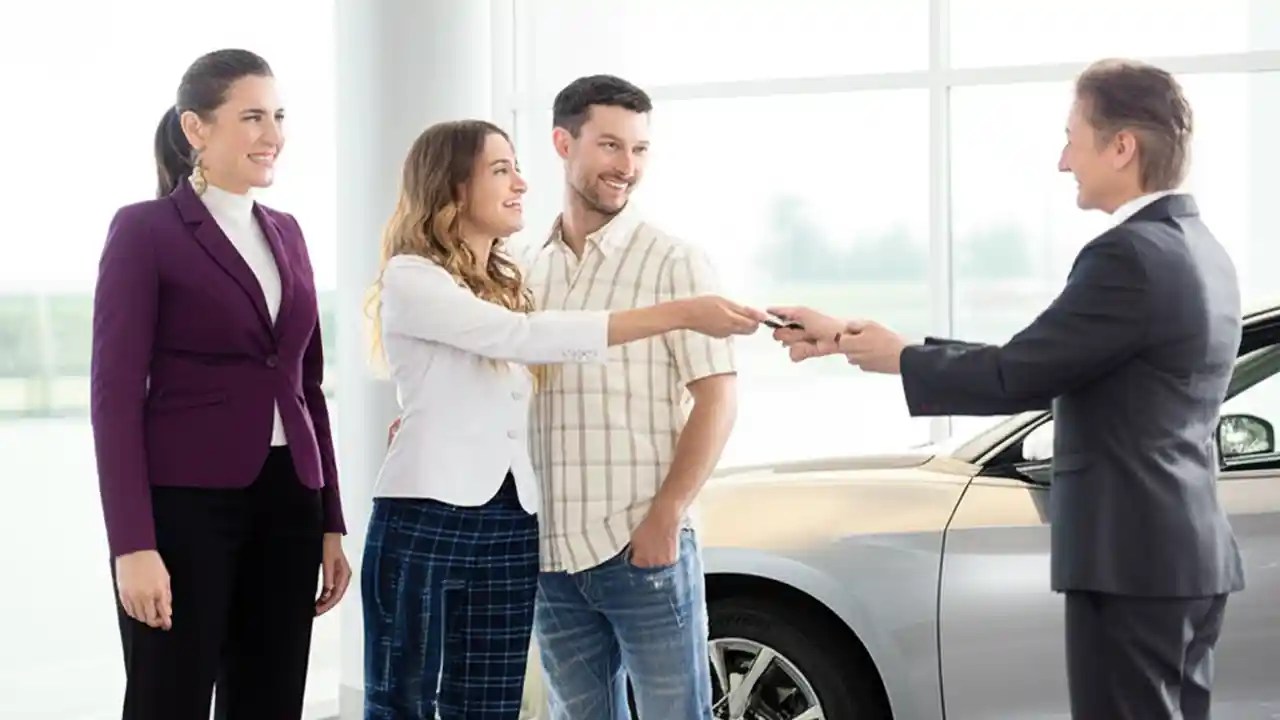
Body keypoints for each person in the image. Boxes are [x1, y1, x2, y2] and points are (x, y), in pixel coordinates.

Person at [770, 58, 1244, 720]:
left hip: (1130, 560)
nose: (1062, 160)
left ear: (1122, 146)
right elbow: (1047, 359)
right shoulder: (1199, 249)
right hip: (1182, 555)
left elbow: (1020, 373)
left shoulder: (1128, 256)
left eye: (1071, 136)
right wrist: (878, 344)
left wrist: (898, 356)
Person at [362, 118, 763, 720]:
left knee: (489, 706)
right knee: (404, 701)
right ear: (451, 188)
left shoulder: (510, 279)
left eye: (517, 167)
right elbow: (520, 338)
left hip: (510, 523)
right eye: (501, 170)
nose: (522, 182)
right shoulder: (412, 276)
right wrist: (679, 313)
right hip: (426, 518)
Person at [90, 48, 351, 720]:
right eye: (253, 116)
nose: (274, 135)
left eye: (280, 116)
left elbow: (306, 385)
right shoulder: (145, 231)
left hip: (289, 498)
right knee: (167, 699)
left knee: (270, 700)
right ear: (196, 129)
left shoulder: (287, 233)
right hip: (185, 508)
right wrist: (132, 546)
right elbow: (114, 399)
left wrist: (330, 522)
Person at [522, 74, 736, 720]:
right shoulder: (526, 269)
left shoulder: (675, 262)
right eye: (611, 147)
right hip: (550, 556)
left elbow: (718, 399)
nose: (628, 167)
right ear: (564, 143)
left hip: (641, 547)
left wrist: (666, 516)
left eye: (640, 150)